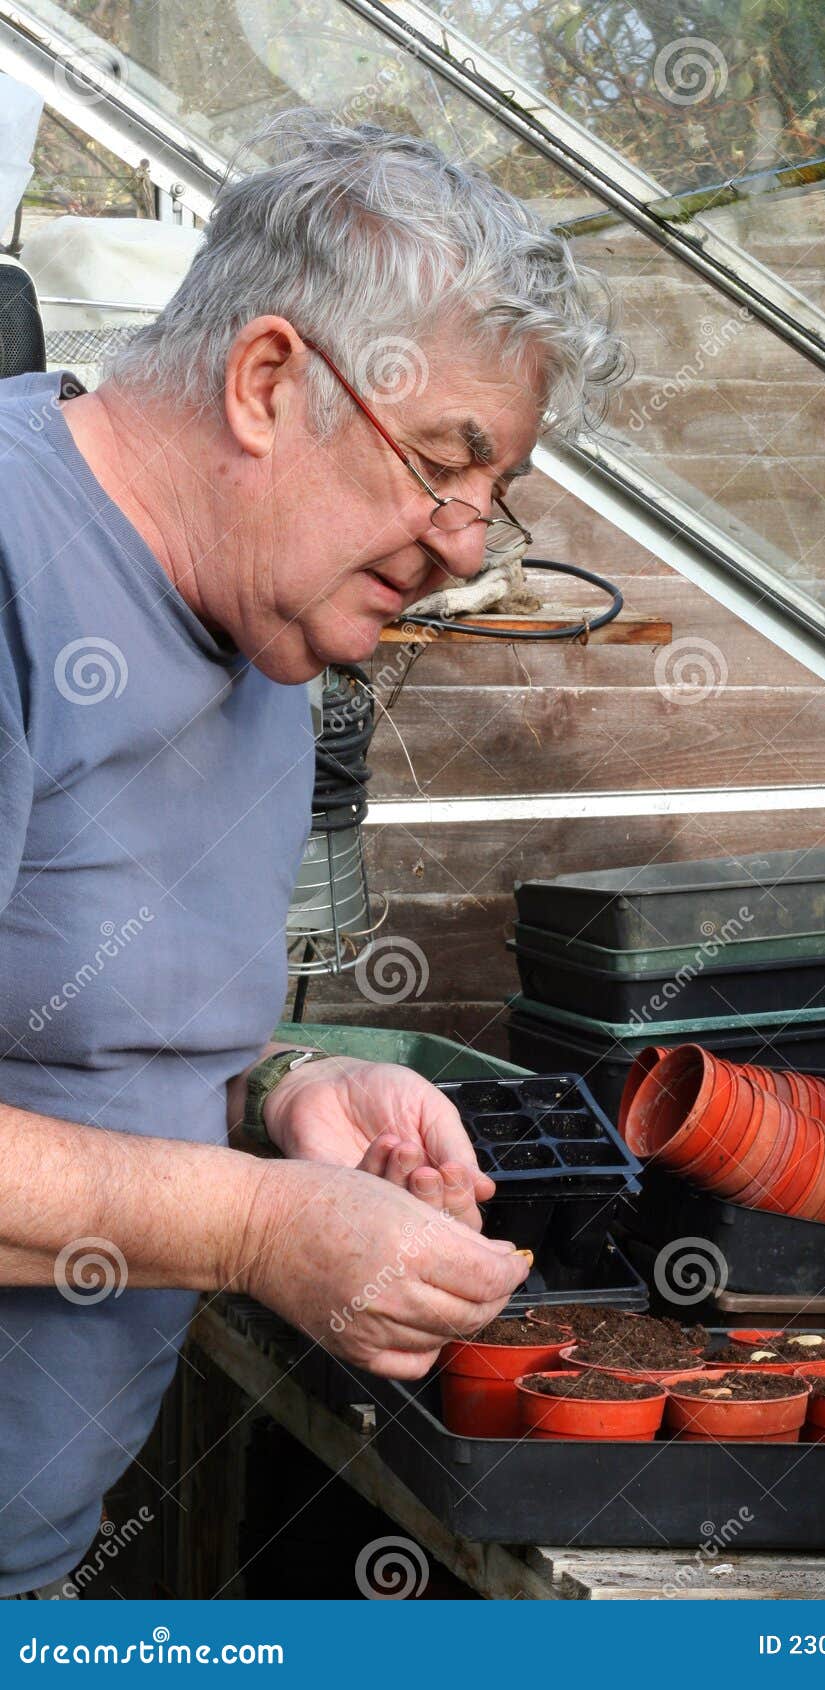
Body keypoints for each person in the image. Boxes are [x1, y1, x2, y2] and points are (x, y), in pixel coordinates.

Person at [0, 112, 624, 1595]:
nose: (466, 543)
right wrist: (262, 1225)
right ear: (271, 379)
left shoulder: (275, 639)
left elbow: (81, 1028)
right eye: (444, 466)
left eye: (497, 495)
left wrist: (283, 1091)